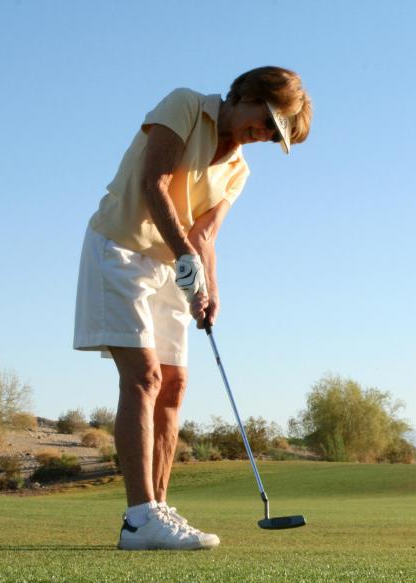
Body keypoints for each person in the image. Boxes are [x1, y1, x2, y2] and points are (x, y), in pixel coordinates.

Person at [73, 67, 312, 550]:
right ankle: (140, 517)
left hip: (170, 264)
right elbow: (153, 184)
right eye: (266, 121)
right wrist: (185, 257)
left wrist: (211, 291)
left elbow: (205, 236)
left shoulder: (239, 170)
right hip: (121, 248)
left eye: (273, 135)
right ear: (246, 94)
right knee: (143, 377)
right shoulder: (185, 105)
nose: (262, 135)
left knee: (175, 384)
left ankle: (158, 511)